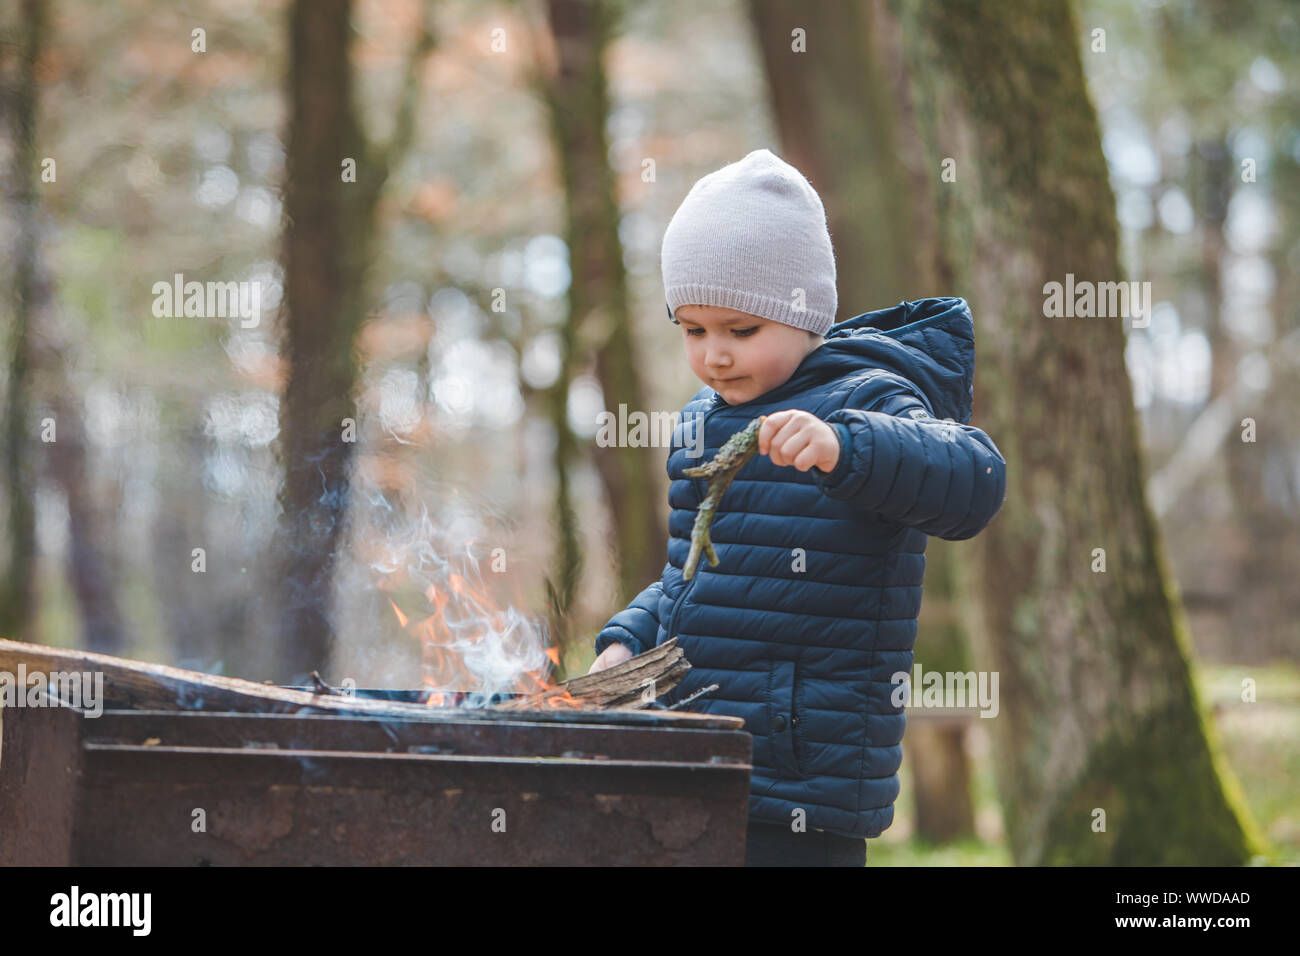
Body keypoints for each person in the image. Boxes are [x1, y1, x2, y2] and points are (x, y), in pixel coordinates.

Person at [587, 148, 1007, 866]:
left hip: (805, 782)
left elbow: (975, 482)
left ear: (803, 312)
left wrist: (847, 449)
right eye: (693, 330)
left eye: (740, 330)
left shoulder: (866, 397)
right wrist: (627, 642)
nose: (714, 355)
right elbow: (691, 578)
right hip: (701, 757)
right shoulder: (701, 424)